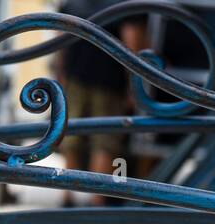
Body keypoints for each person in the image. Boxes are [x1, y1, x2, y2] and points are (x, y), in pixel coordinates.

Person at [56, 0, 147, 205]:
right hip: (109, 79)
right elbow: (131, 42)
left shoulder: (72, 3)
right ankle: (96, 198)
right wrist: (134, 84)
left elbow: (60, 39)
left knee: (68, 134)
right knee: (105, 139)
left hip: (75, 75)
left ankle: (67, 194)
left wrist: (60, 74)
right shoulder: (126, 4)